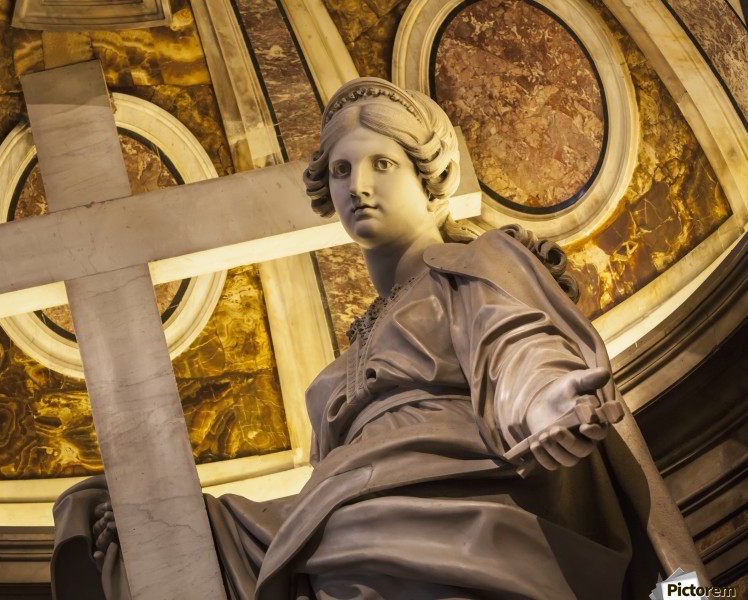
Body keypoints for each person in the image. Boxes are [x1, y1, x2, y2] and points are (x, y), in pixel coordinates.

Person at [52, 78, 703, 600]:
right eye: (340, 170)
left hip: (449, 503)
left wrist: (549, 404)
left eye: (381, 163)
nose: (356, 186)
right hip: (339, 511)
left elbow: (522, 344)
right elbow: (327, 478)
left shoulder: (477, 262)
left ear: (429, 179)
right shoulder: (345, 355)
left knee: (348, 531)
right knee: (147, 525)